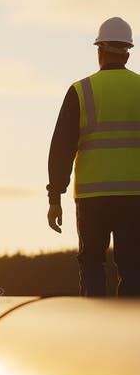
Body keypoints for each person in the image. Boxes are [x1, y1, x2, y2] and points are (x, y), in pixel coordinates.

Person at [47, 17, 140, 297]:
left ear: (99, 50)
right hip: (134, 197)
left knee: (91, 265)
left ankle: (95, 332)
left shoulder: (81, 91)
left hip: (92, 199)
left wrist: (55, 197)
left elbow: (61, 149)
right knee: (134, 268)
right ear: (127, 51)